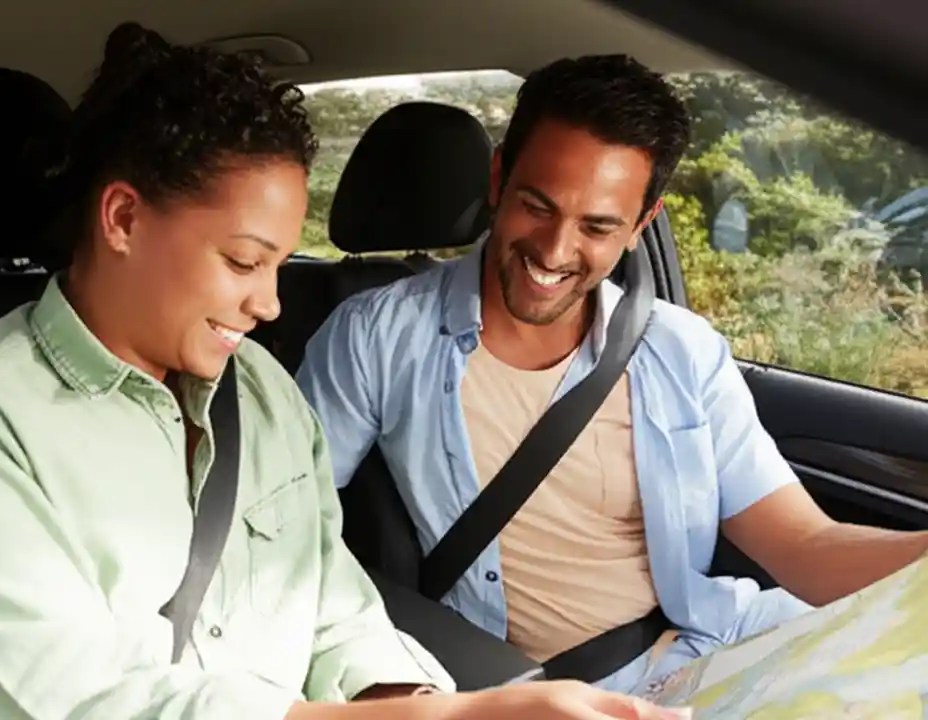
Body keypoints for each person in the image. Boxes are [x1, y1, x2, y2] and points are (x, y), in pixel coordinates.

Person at [0, 23, 690, 720]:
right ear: (122, 219)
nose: (270, 305)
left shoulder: (257, 391)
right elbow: (92, 703)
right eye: (245, 262)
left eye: (282, 266)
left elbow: (331, 600)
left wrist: (401, 690)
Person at [295, 54, 928, 696]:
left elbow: (805, 547)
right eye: (536, 206)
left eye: (597, 226)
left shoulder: (681, 349)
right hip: (562, 688)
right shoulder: (376, 335)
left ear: (640, 225)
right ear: (497, 180)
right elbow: (283, 526)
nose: (554, 250)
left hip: (729, 638)